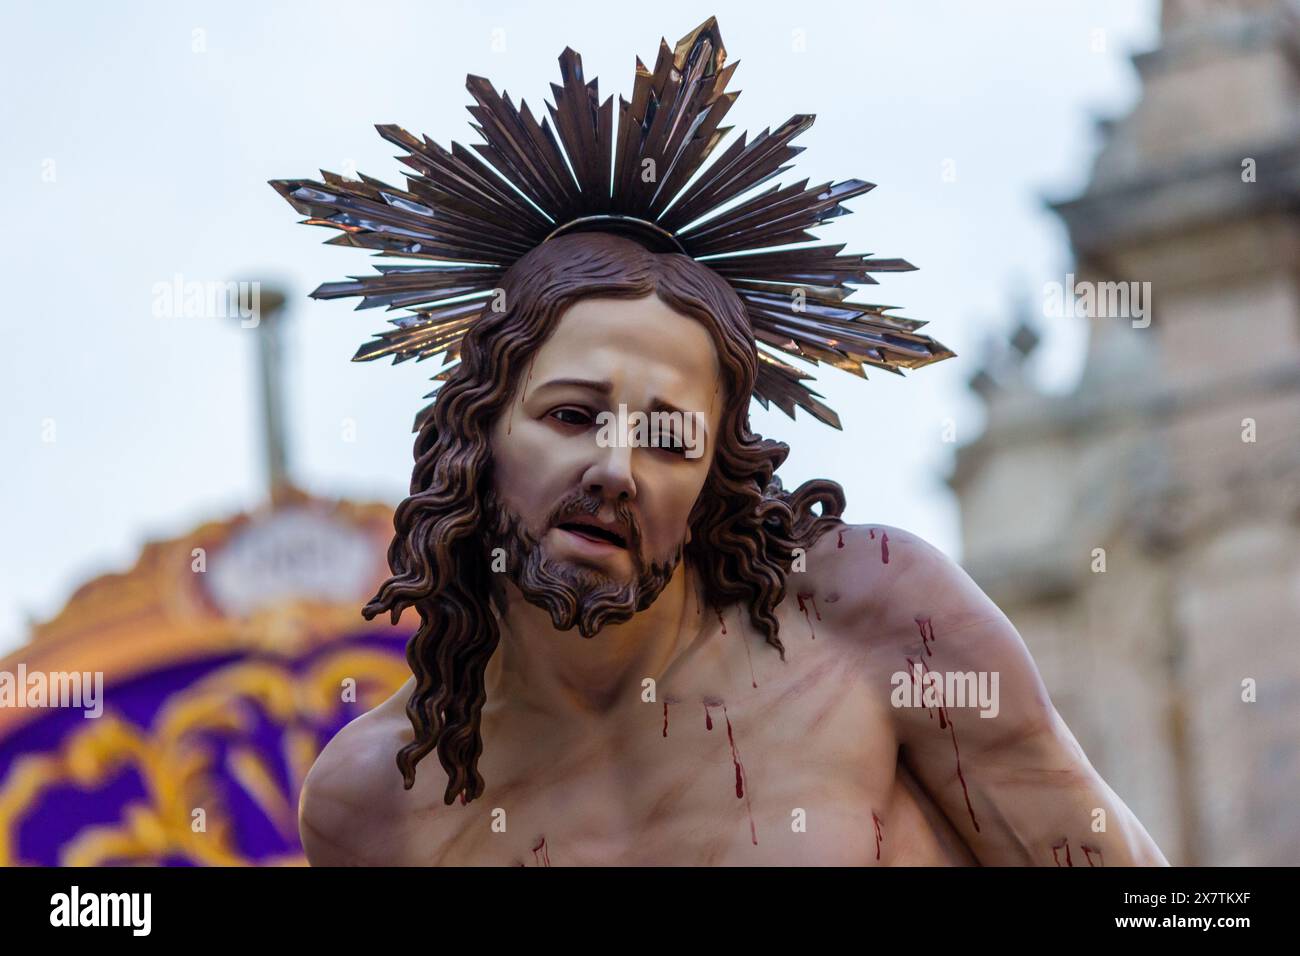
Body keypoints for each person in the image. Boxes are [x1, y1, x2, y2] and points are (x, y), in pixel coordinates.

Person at [272, 19, 1167, 866]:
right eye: (572, 416)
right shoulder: (374, 800)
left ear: (711, 475)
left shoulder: (874, 619)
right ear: (479, 436)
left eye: (668, 437)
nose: (617, 470)